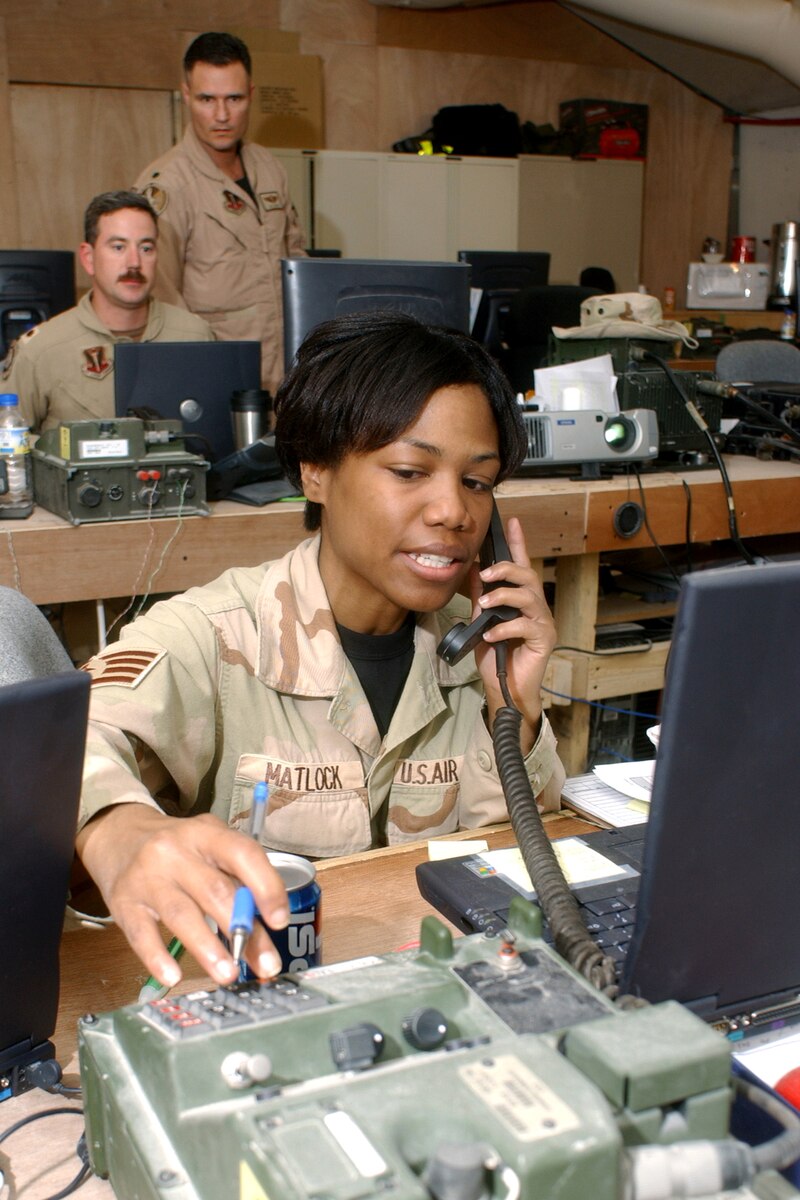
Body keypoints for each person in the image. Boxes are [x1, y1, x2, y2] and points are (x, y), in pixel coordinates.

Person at [75, 311, 565, 991]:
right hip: (249, 999)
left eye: (476, 481)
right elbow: (62, 744)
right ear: (315, 471)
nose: (454, 511)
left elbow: (521, 873)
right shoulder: (212, 634)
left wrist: (516, 707)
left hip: (428, 996)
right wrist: (118, 830)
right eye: (409, 470)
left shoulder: (477, 644)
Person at [133, 31, 306, 396]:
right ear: (186, 96)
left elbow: (298, 268)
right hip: (219, 382)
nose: (222, 115)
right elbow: (162, 304)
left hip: (287, 379)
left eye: (234, 99)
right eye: (207, 99)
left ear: (251, 96)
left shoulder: (269, 168)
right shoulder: (167, 185)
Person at [1, 191, 214, 434]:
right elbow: (7, 451)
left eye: (146, 248)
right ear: (88, 258)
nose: (134, 262)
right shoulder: (41, 351)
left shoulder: (195, 335)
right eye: (118, 247)